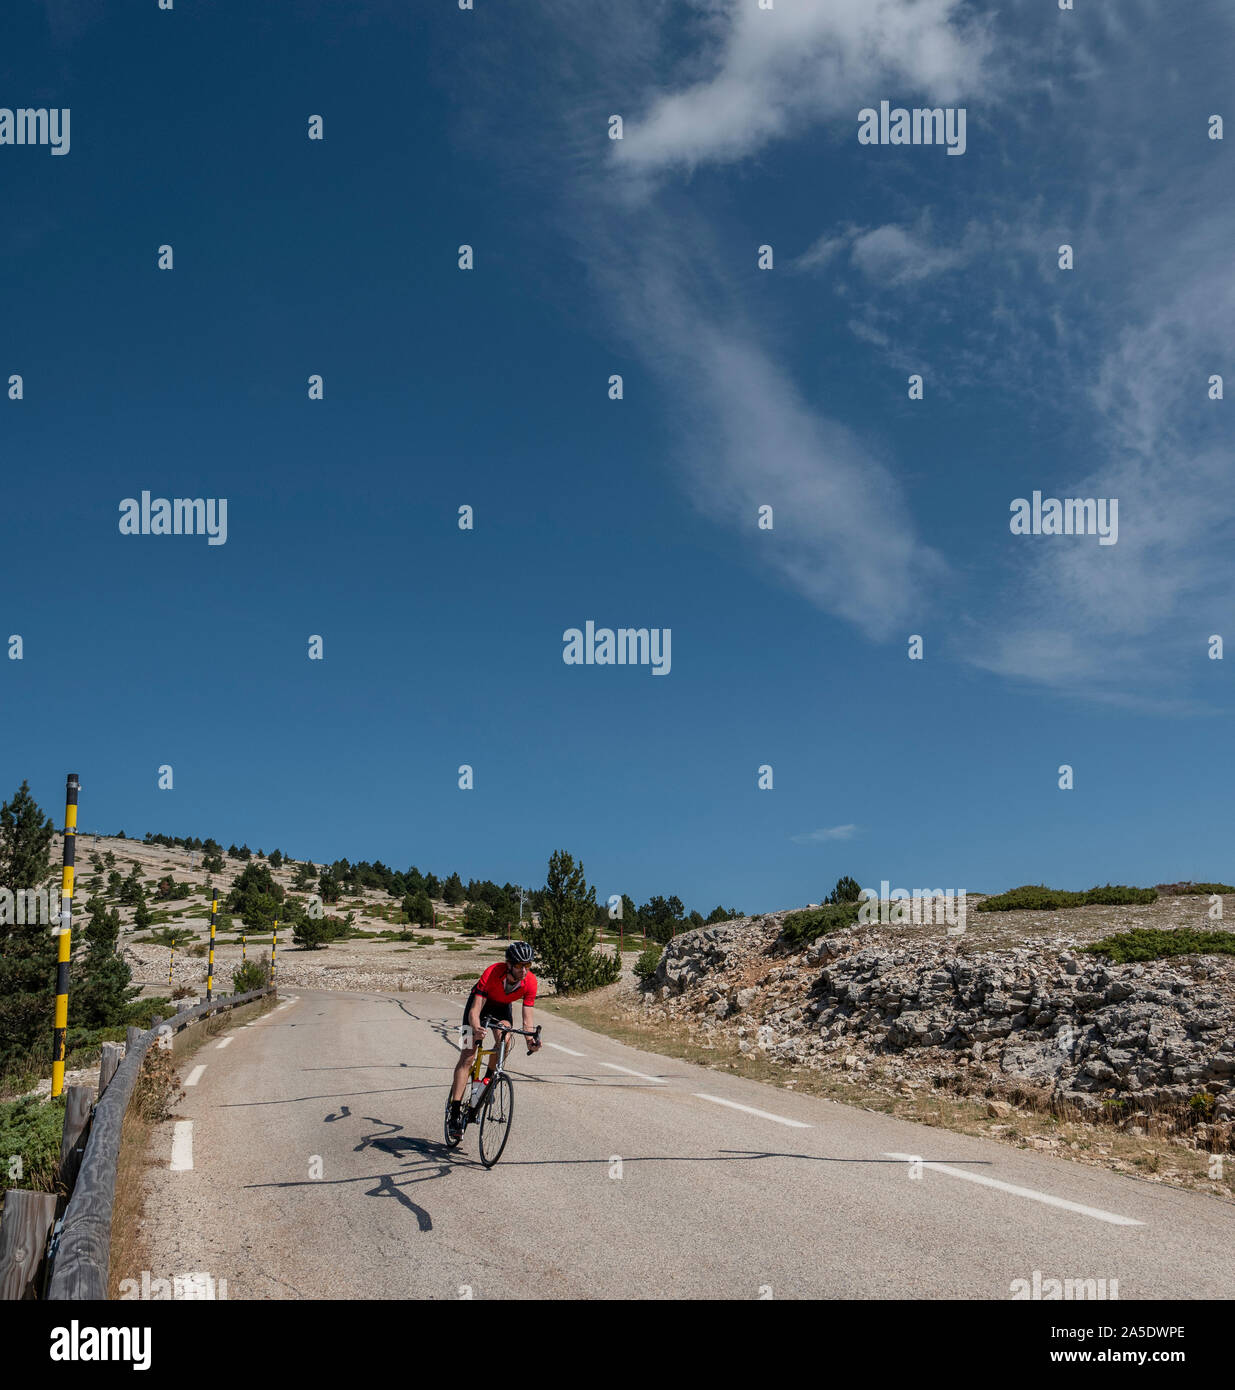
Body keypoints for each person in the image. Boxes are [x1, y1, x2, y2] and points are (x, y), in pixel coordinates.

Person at [447, 940, 542, 1140]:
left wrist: (531, 1041)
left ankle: (487, 1083)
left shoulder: (531, 982)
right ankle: (455, 1112)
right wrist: (476, 1028)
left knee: (506, 1040)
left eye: (528, 965)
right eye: (519, 965)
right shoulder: (492, 972)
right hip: (477, 1008)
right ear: (509, 964)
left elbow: (527, 1020)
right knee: (467, 1055)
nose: (524, 970)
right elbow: (474, 1010)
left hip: (502, 1008)